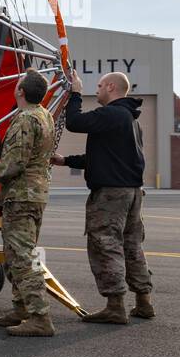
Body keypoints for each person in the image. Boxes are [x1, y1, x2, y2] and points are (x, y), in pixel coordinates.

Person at [51, 70, 153, 323]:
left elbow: (75, 122)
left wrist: (75, 93)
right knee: (132, 246)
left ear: (110, 87)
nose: (95, 91)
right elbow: (104, 158)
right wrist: (66, 161)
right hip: (132, 192)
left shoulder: (112, 114)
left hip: (111, 194)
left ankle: (115, 306)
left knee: (105, 245)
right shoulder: (130, 120)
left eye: (98, 86)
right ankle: (144, 302)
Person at [0, 69, 56, 337]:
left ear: (21, 91)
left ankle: (40, 317)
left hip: (21, 196)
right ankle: (22, 308)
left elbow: (15, 161)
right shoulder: (45, 115)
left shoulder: (25, 119)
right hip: (35, 194)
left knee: (23, 258)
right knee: (16, 256)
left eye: (18, 84)